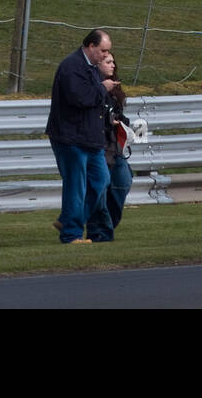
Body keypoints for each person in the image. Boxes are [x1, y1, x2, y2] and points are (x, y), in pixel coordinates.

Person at [45, 30, 116, 244]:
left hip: (90, 139)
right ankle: (71, 234)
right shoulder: (71, 67)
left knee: (101, 180)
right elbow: (81, 98)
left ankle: (68, 220)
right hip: (71, 138)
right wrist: (103, 88)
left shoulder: (91, 68)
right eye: (103, 50)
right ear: (91, 46)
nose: (105, 56)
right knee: (76, 186)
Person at [90, 50, 132, 241]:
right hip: (99, 149)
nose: (112, 65)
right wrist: (109, 121)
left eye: (113, 62)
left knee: (123, 183)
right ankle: (100, 231)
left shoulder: (115, 91)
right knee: (100, 189)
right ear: (97, 64)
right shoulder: (92, 88)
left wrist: (122, 122)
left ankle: (108, 225)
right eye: (108, 62)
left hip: (116, 149)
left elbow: (119, 115)